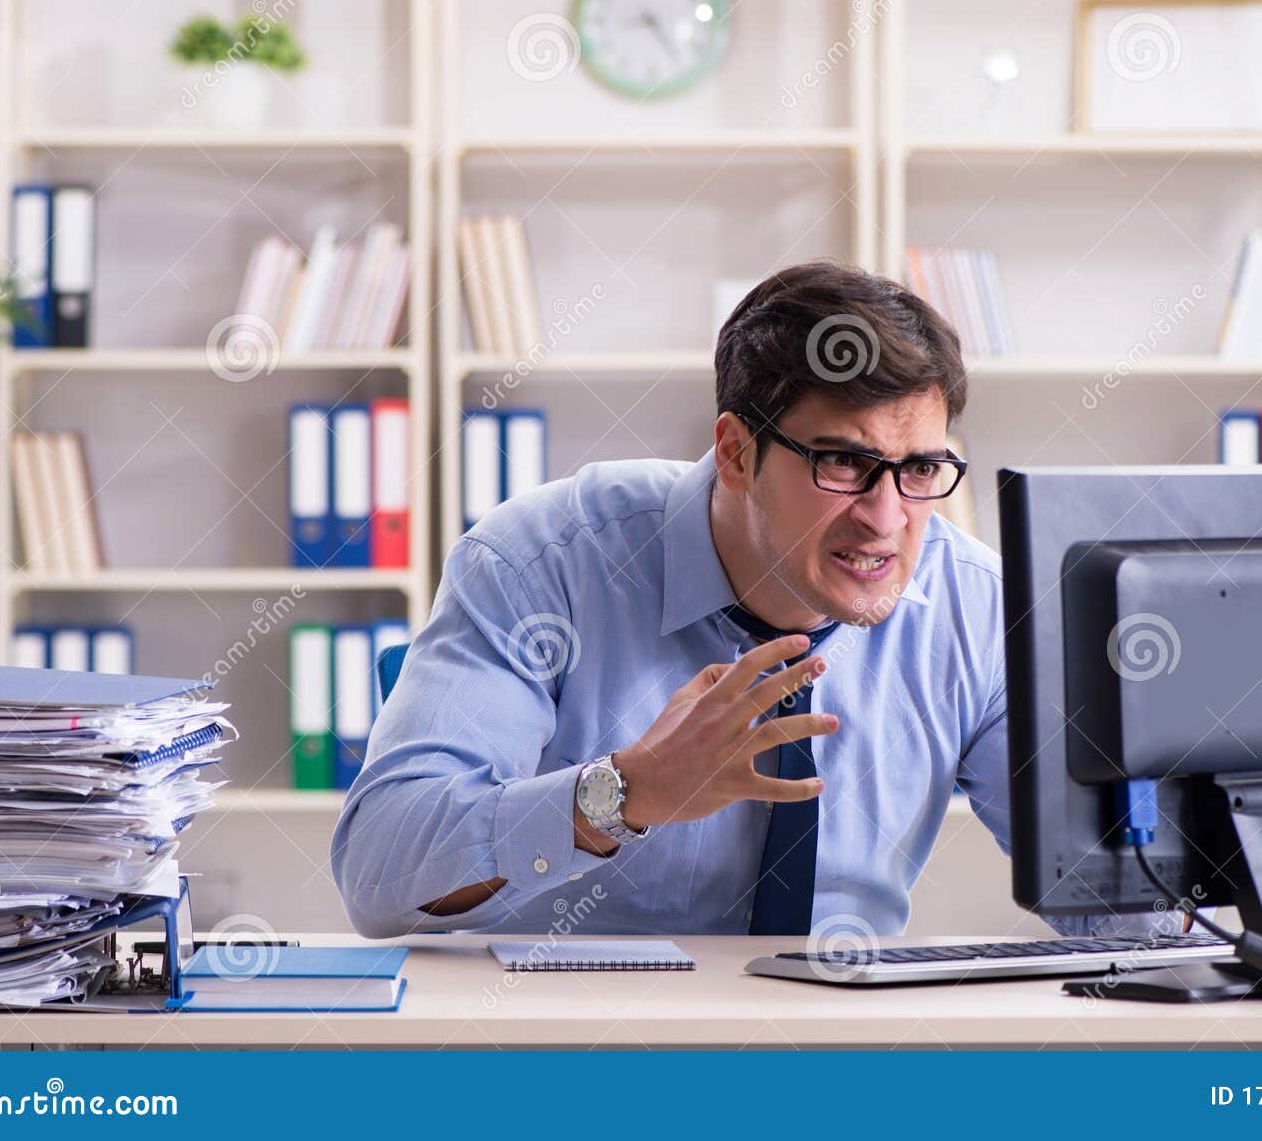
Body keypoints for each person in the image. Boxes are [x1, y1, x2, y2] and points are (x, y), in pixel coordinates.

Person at [331, 260, 1180, 941]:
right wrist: (622, 795)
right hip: (573, 1053)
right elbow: (378, 870)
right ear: (737, 452)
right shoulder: (542, 562)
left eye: (920, 469)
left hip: (841, 1065)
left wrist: (1239, 830)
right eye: (843, 464)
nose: (887, 520)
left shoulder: (975, 609)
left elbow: (1113, 902)